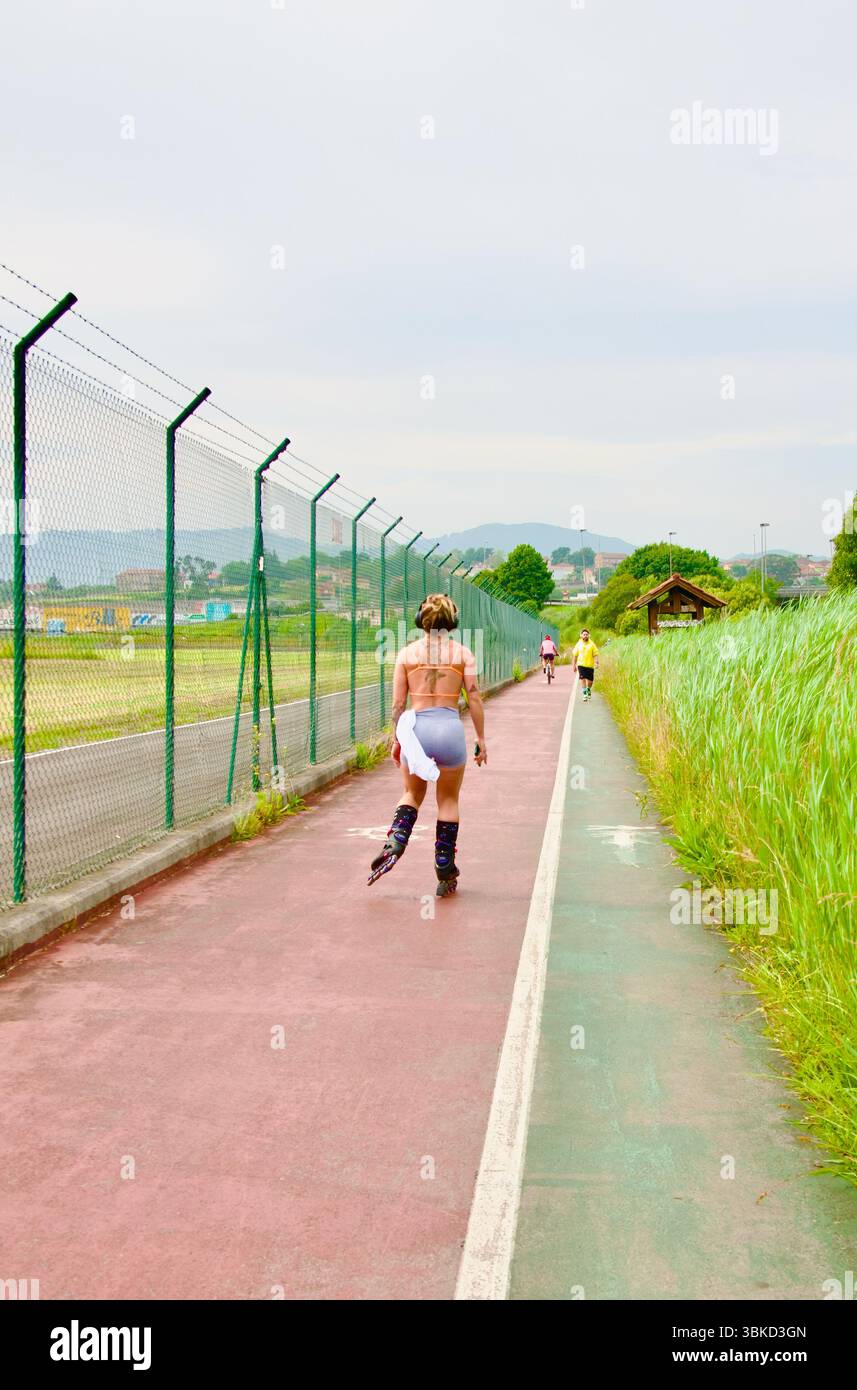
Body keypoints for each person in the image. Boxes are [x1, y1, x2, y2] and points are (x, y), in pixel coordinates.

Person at [367, 593, 487, 896]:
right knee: (448, 800)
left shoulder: (406, 655)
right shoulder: (463, 654)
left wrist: (398, 739)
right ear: (453, 622)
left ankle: (396, 841)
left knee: (411, 794)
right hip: (449, 730)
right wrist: (481, 738)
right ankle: (444, 864)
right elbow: (474, 696)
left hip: (416, 731)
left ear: (420, 620)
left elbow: (398, 704)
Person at [571, 627, 599, 701]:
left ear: (589, 635)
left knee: (590, 681)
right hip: (581, 665)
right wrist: (574, 666)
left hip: (590, 665)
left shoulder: (592, 644)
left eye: (587, 634)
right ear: (581, 635)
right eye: (584, 634)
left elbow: (595, 654)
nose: (585, 636)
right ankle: (584, 694)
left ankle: (588, 689)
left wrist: (596, 662)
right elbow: (575, 656)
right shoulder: (578, 644)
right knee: (582, 679)